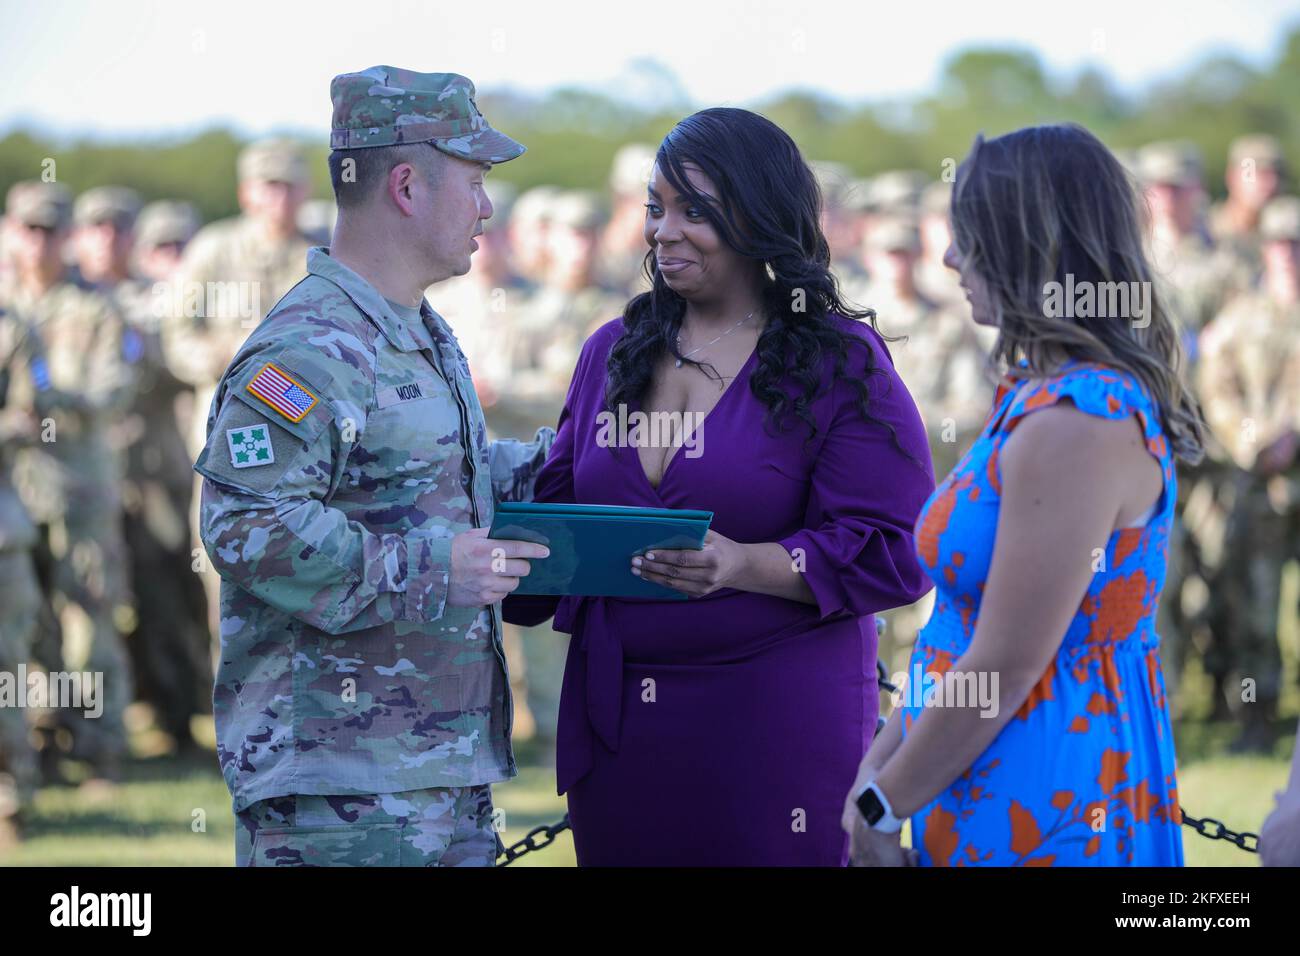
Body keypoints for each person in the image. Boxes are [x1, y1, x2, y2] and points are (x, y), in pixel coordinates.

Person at [506, 107, 935, 866]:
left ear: (759, 216)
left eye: (694, 211)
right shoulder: (612, 350)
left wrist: (743, 563)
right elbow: (560, 509)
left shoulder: (838, 360)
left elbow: (888, 547)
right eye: (655, 208)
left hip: (776, 722)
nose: (663, 230)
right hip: (623, 728)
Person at [195, 66, 553, 868]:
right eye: (474, 179)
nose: (487, 207)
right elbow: (247, 524)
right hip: (337, 788)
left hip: (438, 767)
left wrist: (565, 465)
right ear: (405, 185)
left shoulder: (417, 328)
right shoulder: (307, 347)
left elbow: (433, 479)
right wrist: (430, 569)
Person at [843, 124, 1205, 866]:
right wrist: (877, 771)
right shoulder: (1037, 400)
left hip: (1053, 801)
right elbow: (963, 630)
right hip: (983, 774)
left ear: (1029, 246)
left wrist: (884, 804)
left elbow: (1005, 661)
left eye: (968, 236)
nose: (948, 258)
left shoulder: (1080, 420)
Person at [1, 181, 137, 782]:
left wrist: (52, 401)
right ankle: (40, 736)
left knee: (89, 617)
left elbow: (114, 389)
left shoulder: (98, 307)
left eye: (51, 230)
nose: (39, 242)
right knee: (30, 625)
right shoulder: (7, 306)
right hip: (17, 488)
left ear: (69, 237)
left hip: (81, 485)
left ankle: (100, 746)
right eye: (28, 229)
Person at [72, 186, 212, 753]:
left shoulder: (157, 300)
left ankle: (174, 716)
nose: (109, 238)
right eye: (97, 227)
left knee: (166, 596)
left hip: (153, 468)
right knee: (88, 597)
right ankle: (90, 728)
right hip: (85, 473)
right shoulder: (66, 300)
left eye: (120, 228)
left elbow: (179, 365)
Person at [1195, 195, 1300, 751]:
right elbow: (1217, 386)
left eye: (1297, 244)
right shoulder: (1242, 316)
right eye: (1281, 244)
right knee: (1255, 607)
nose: (1290, 255)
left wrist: (1294, 432)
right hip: (1259, 485)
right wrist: (1251, 440)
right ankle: (1257, 719)